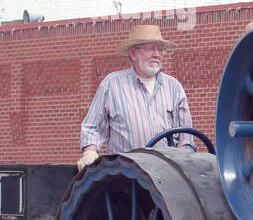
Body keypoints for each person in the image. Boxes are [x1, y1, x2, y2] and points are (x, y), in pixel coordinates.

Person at [78, 25, 194, 168]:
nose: (157, 54)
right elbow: (91, 127)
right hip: (125, 178)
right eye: (151, 49)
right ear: (133, 53)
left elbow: (186, 140)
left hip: (167, 179)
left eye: (160, 49)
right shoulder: (112, 85)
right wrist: (89, 152)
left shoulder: (174, 87)